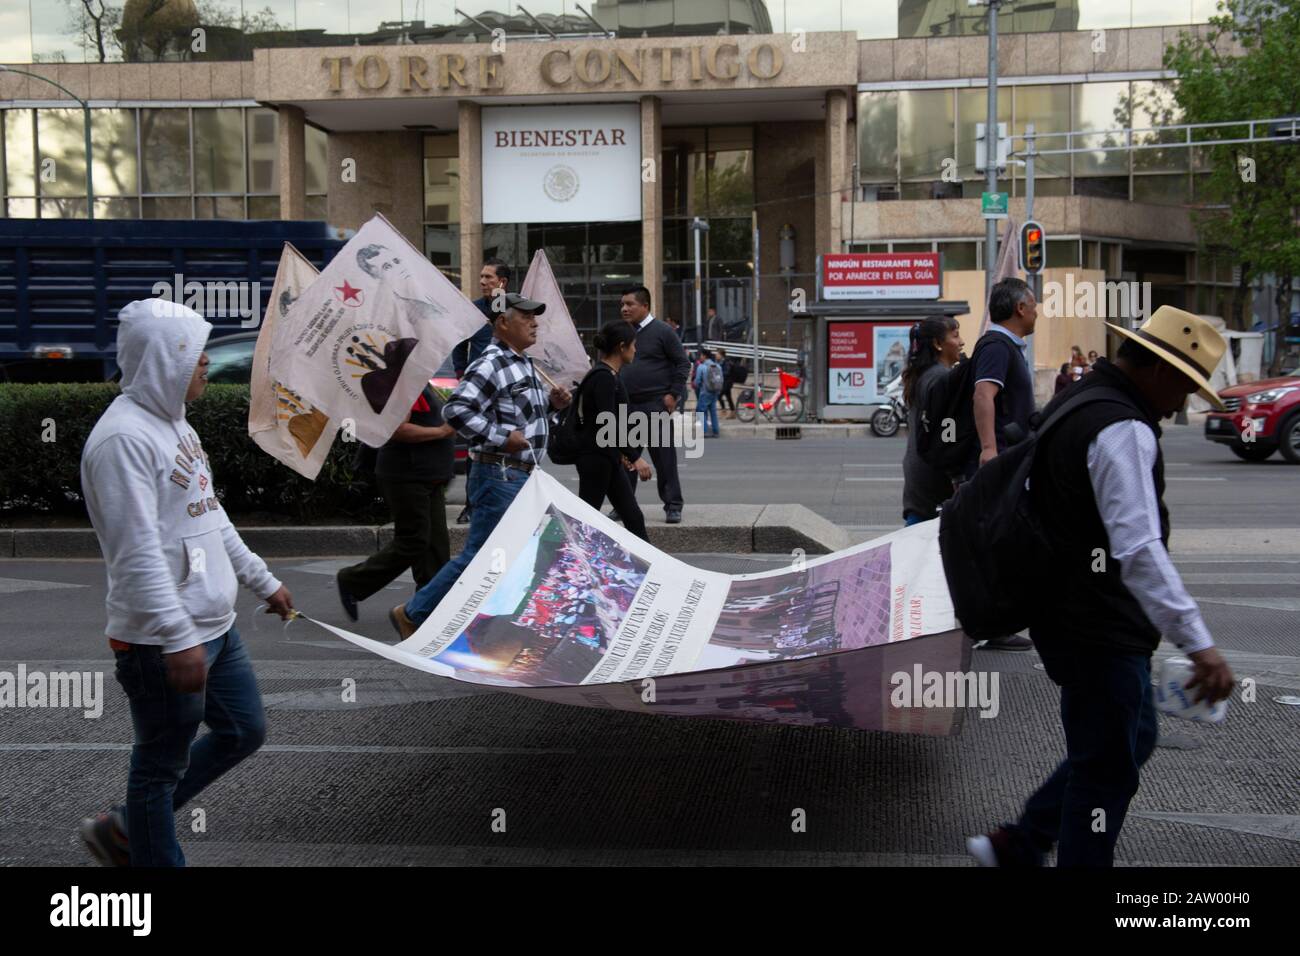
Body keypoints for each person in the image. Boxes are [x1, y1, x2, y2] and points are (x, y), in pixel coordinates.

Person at [967, 307, 1236, 868]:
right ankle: (1028, 847)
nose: (1183, 401)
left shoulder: (1082, 399)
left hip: (1067, 611)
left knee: (1128, 740)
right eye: (1186, 386)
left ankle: (1019, 844)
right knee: (1104, 774)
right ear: (1161, 372)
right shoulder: (1124, 428)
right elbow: (1138, 549)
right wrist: (1199, 644)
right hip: (1097, 625)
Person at [78, 299, 295, 867]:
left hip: (215, 629)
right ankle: (142, 851)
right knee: (158, 769)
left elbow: (208, 515)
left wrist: (262, 581)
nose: (205, 366)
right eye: (196, 355)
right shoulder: (122, 440)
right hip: (161, 642)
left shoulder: (176, 424)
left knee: (243, 730)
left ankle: (127, 829)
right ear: (165, 360)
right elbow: (137, 553)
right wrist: (177, 637)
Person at [390, 293, 571, 638]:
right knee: (482, 556)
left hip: (520, 475)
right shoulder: (490, 363)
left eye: (535, 317)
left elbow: (522, 419)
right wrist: (501, 436)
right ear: (503, 323)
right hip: (499, 474)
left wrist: (552, 405)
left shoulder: (522, 362)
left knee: (517, 555)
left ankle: (489, 625)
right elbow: (456, 411)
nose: (534, 323)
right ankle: (415, 614)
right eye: (526, 317)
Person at [336, 384, 456, 620]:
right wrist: (442, 432)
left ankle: (430, 605)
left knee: (435, 547)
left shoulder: (420, 380)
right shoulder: (404, 383)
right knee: (413, 541)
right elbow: (397, 430)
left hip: (428, 476)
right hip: (407, 475)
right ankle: (352, 580)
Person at [619, 285, 690, 524]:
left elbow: (682, 364)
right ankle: (622, 504)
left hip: (654, 405)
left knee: (664, 459)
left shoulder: (663, 331)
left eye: (630, 304)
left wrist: (673, 394)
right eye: (623, 305)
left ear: (645, 306)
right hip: (627, 406)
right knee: (627, 460)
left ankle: (673, 505)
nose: (624, 309)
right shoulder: (623, 333)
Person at [575, 320, 653, 540]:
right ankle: (568, 566)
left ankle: (653, 568)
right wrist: (635, 457)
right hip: (595, 460)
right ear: (622, 346)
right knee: (586, 520)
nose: (635, 349)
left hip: (608, 458)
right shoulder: (603, 378)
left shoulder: (609, 375)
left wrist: (621, 453)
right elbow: (607, 423)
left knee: (633, 517)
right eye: (633, 344)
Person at [452, 257, 512, 525]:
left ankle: (508, 505)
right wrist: (461, 373)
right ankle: (470, 505)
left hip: (506, 390)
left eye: (489, 277)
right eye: (481, 277)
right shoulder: (471, 310)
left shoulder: (512, 309)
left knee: (508, 448)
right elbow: (458, 345)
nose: (482, 282)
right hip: (478, 390)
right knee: (474, 448)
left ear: (502, 282)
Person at [972, 277, 1039, 474]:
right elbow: (983, 395)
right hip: (1001, 457)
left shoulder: (1006, 346)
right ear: (1020, 308)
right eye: (1033, 307)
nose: (1036, 314)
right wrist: (989, 449)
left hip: (1011, 454)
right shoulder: (997, 346)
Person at [901, 315, 963, 526]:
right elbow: (947, 433)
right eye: (955, 336)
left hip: (918, 483)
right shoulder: (940, 378)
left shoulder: (923, 375)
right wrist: (957, 473)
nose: (961, 342)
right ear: (938, 344)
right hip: (933, 485)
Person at [694, 349, 722, 438]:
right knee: (713, 411)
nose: (700, 357)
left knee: (700, 411)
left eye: (701, 355)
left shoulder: (701, 367)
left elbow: (697, 381)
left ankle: (704, 431)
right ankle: (716, 431)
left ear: (704, 356)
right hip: (714, 392)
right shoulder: (717, 366)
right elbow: (721, 380)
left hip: (704, 392)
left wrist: (699, 387)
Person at [716, 347, 736, 417]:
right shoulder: (720, 362)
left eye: (717, 354)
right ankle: (732, 412)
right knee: (728, 397)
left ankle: (724, 411)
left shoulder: (726, 362)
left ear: (721, 355)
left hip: (727, 383)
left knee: (719, 395)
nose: (716, 355)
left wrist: (719, 373)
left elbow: (727, 372)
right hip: (725, 382)